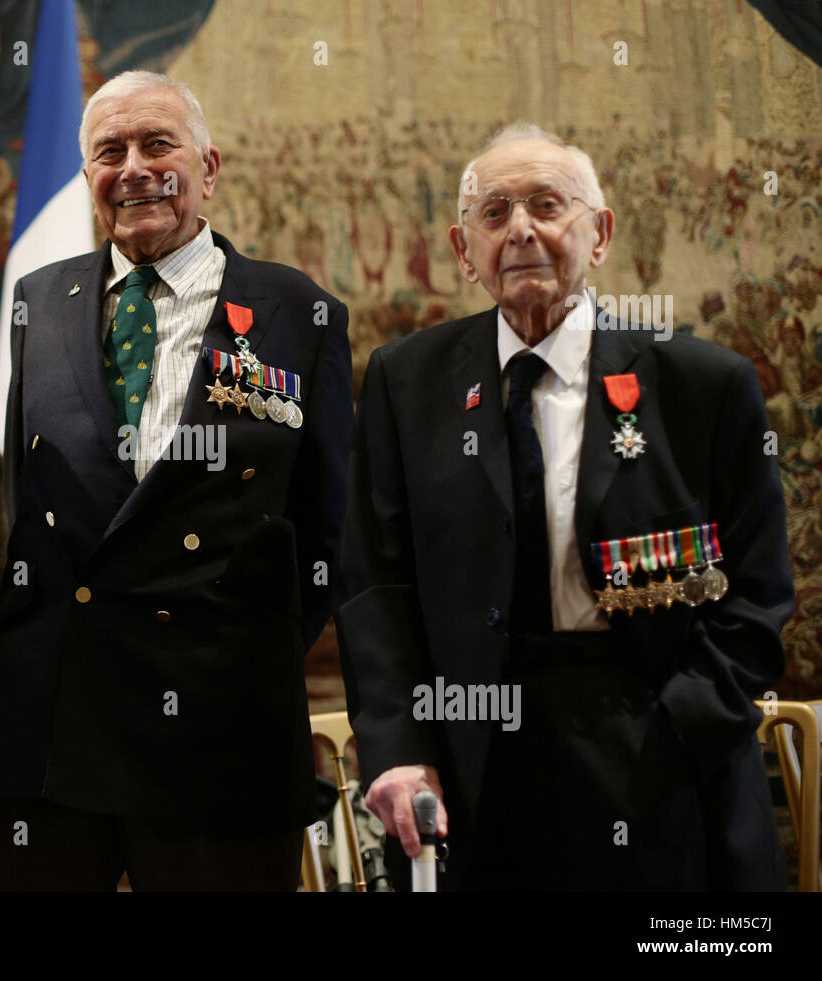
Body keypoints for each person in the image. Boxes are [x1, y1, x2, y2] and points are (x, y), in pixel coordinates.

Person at [338, 123, 793, 890]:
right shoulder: (405, 381)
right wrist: (398, 746)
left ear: (601, 233)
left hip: (656, 746)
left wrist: (681, 726)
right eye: (494, 212)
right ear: (462, 249)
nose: (521, 229)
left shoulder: (701, 384)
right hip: (471, 753)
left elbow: (758, 588)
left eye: (548, 205)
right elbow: (376, 586)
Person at [0, 71, 352, 890]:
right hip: (57, 728)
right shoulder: (39, 300)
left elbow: (328, 532)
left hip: (220, 730)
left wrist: (234, 656)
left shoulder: (299, 311)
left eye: (158, 144)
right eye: (110, 151)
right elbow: (24, 500)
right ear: (88, 178)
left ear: (208, 169)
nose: (134, 167)